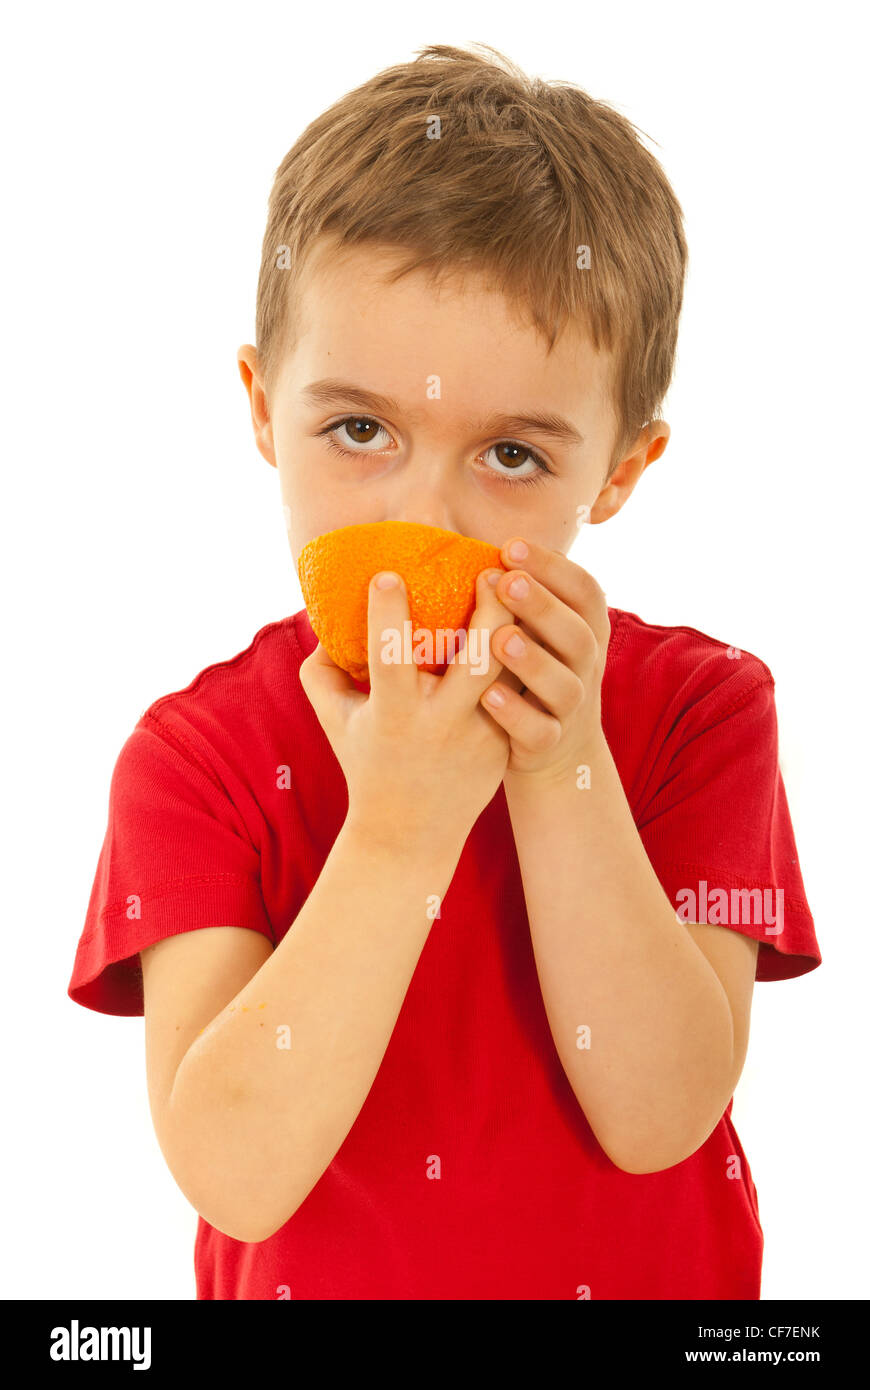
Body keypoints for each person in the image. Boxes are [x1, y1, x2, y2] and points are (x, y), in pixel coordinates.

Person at [68, 42, 821, 1300]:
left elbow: (661, 1113)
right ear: (263, 409)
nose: (433, 513)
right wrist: (397, 835)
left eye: (514, 455)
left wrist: (560, 762)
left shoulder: (703, 711)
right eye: (359, 429)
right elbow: (234, 1174)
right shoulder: (193, 756)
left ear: (622, 470)